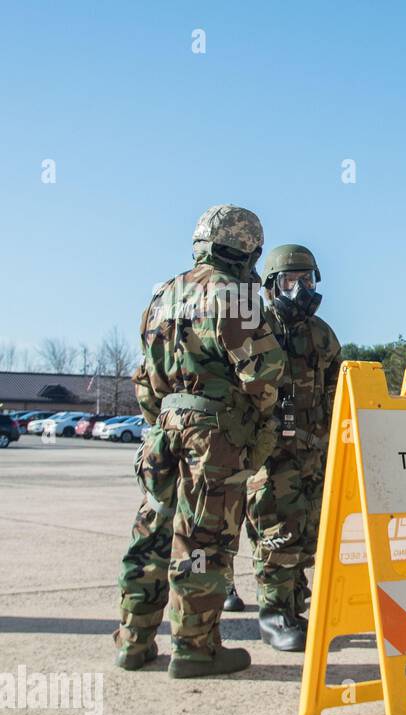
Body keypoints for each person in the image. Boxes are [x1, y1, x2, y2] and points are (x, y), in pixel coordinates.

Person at [113, 205, 286, 677]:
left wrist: (164, 418)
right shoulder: (237, 294)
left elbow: (144, 380)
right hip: (213, 437)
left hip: (162, 431)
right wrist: (260, 421)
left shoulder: (162, 294)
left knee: (151, 535)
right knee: (202, 544)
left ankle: (134, 641)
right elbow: (264, 371)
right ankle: (195, 648)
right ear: (250, 247)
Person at [229, 244, 342, 652]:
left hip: (312, 451)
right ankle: (274, 614)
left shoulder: (322, 334)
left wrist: (332, 440)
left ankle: (295, 606)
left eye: (308, 279)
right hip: (270, 452)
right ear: (274, 285)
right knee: (277, 532)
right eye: (293, 280)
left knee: (308, 533)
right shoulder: (257, 327)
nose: (303, 288)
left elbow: (336, 393)